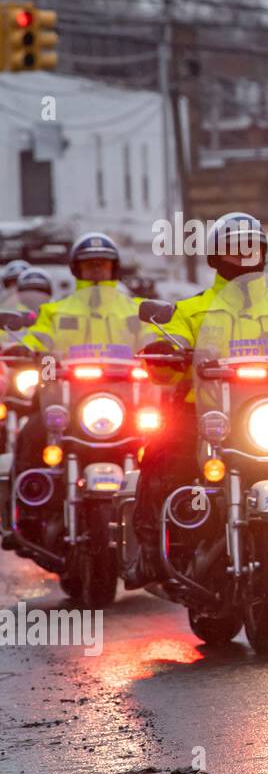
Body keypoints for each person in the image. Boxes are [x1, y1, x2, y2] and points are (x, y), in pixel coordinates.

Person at [129, 212, 268, 588]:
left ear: (264, 253)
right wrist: (164, 355)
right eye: (235, 248)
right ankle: (152, 553)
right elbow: (171, 346)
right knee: (162, 451)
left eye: (252, 246)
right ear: (215, 257)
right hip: (209, 414)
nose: (245, 254)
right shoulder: (192, 310)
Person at [8, 234, 141, 554]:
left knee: (166, 442)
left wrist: (166, 351)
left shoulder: (134, 310)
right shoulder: (57, 310)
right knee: (31, 431)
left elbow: (155, 342)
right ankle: (26, 513)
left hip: (122, 405)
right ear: (76, 269)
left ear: (114, 268)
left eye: (103, 264)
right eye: (89, 264)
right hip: (69, 404)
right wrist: (25, 349)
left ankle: (159, 526)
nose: (96, 270)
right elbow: (38, 339)